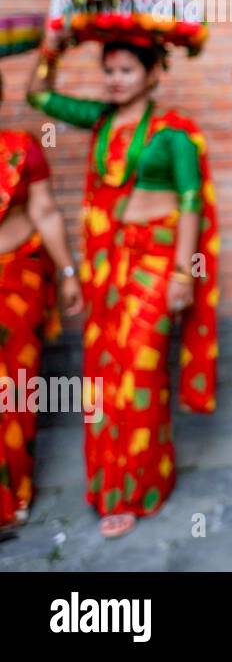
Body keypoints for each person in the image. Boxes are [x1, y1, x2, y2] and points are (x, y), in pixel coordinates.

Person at [27, 29, 220, 538]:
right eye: (108, 71)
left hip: (156, 267)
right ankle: (114, 486)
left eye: (126, 71)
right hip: (109, 270)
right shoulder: (101, 119)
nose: (115, 80)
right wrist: (52, 47)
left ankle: (140, 488)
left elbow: (190, 204)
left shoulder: (173, 133)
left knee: (140, 371)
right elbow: (38, 96)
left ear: (154, 73)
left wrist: (183, 273)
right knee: (105, 376)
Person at [0, 71, 83, 530]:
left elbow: (45, 211)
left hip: (17, 280)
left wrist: (69, 272)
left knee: (14, 391)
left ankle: (15, 497)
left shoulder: (20, 148)